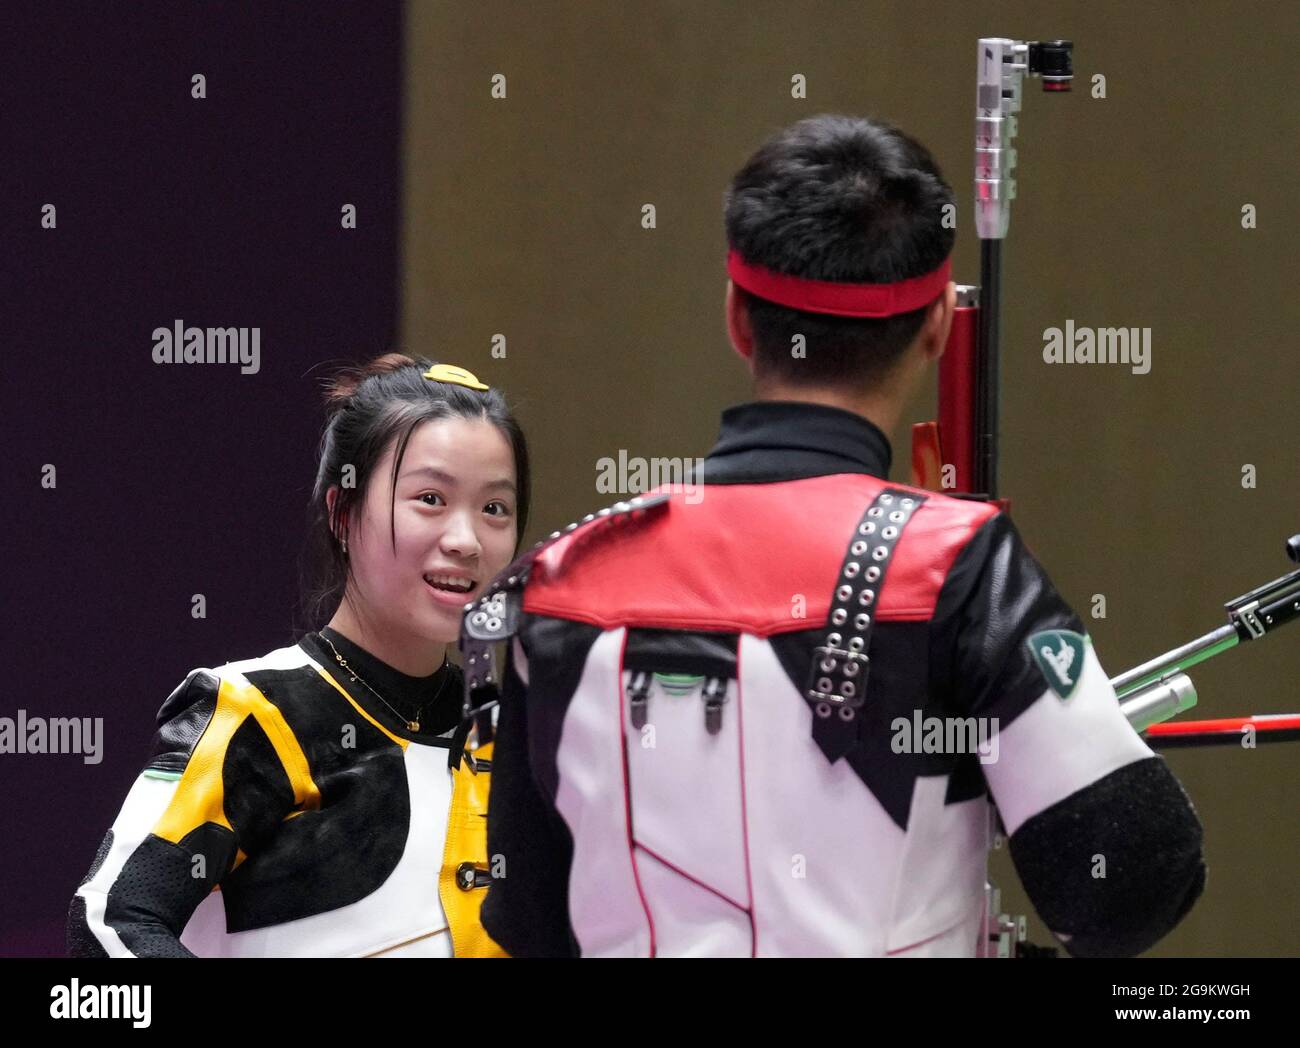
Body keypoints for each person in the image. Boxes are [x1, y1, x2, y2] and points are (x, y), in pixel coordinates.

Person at [466, 114, 1206, 957]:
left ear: (737, 316)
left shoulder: (563, 576)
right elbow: (1133, 877)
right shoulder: (957, 565)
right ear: (937, 325)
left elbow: (526, 920)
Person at [68, 354, 529, 957]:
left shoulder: (523, 742)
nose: (466, 541)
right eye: (430, 499)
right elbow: (108, 924)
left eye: (495, 508)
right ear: (343, 513)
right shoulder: (255, 711)